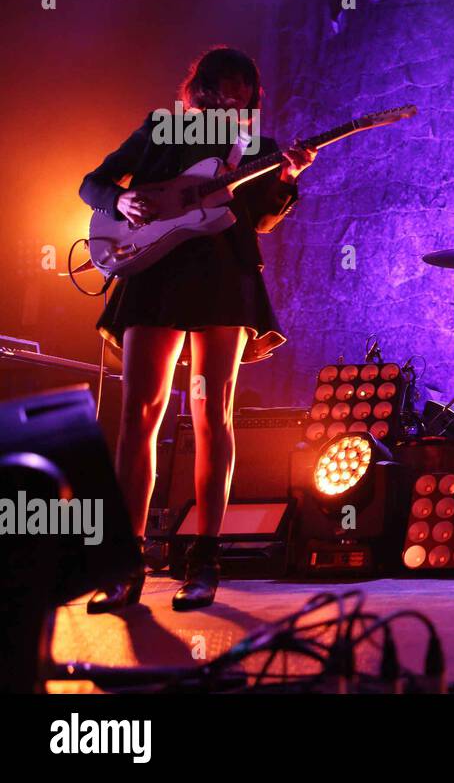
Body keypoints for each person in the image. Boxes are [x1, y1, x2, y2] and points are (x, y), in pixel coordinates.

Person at [78, 46, 315, 611]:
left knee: (213, 413)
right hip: (156, 274)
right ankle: (125, 563)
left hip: (222, 280)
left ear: (250, 99)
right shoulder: (160, 129)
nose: (229, 99)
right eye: (219, 88)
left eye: (241, 92)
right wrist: (122, 198)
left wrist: (286, 179)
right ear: (197, 90)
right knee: (139, 413)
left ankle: (205, 559)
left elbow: (258, 219)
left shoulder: (253, 146)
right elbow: (93, 183)